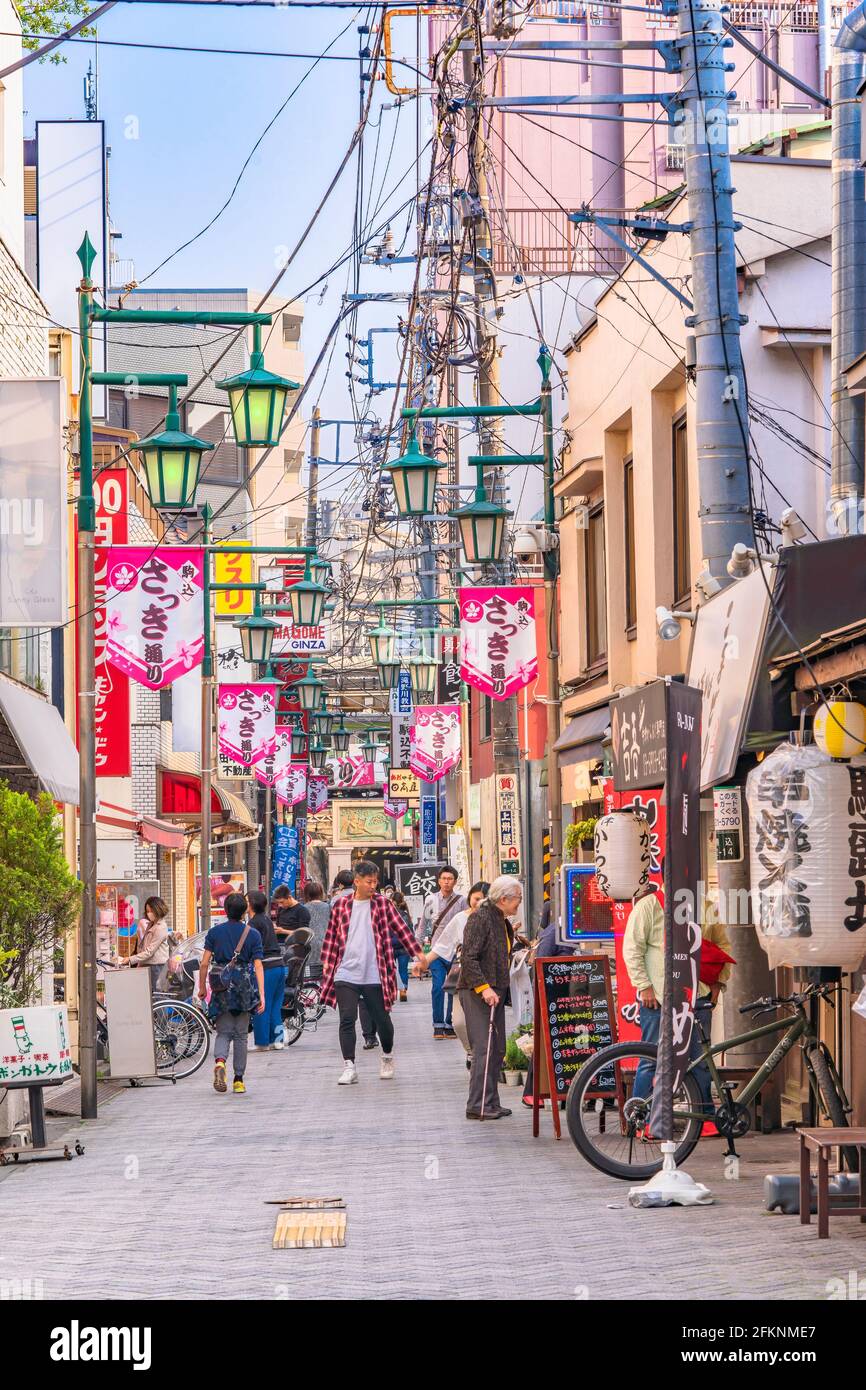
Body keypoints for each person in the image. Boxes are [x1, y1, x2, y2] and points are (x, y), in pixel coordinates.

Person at [623, 885, 734, 1118]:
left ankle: (704, 1118)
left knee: (700, 1061)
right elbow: (632, 949)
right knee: (652, 1059)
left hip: (699, 996)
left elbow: (724, 946)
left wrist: (718, 983)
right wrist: (643, 986)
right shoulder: (649, 906)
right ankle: (641, 1117)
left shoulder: (705, 906)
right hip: (657, 999)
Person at [320, 859, 424, 1085]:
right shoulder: (341, 905)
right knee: (347, 1019)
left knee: (382, 1019)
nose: (373, 886)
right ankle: (349, 1066)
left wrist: (419, 954)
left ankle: (387, 1055)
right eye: (369, 882)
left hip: (375, 972)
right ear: (356, 882)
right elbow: (331, 935)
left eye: (375, 881)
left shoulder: (383, 904)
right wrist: (328, 963)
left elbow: (402, 930)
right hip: (345, 972)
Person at [458, 876, 523, 1121]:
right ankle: (477, 1104)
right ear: (504, 899)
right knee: (484, 1048)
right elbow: (469, 958)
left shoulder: (501, 920)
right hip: (479, 991)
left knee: (498, 1049)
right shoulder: (480, 917)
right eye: (517, 898)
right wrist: (484, 988)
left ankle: (491, 1101)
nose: (519, 903)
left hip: (496, 990)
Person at [198, 892, 265, 1095]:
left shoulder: (214, 933)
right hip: (244, 986)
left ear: (225, 911)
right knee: (241, 1035)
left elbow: (204, 963)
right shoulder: (252, 934)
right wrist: (261, 994)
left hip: (221, 986)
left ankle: (220, 1063)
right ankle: (238, 1080)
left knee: (224, 1032)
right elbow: (258, 965)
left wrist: (202, 988)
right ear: (245, 911)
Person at [419, 865, 467, 1040]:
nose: (447, 882)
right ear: (438, 880)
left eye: (450, 879)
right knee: (438, 986)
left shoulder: (462, 901)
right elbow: (423, 924)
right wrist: (418, 950)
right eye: (444, 879)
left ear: (455, 881)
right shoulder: (430, 900)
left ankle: (449, 1023)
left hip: (456, 951)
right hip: (437, 951)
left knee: (452, 988)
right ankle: (438, 1024)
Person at [249, 889, 288, 1052]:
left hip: (266, 968)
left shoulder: (253, 923)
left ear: (251, 904)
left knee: (261, 1005)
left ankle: (262, 1042)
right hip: (279, 966)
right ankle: (278, 1041)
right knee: (275, 1007)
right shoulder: (266, 920)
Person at [127, 897, 170, 992]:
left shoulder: (160, 927)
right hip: (148, 965)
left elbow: (149, 951)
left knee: (156, 996)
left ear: (157, 909)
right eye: (147, 911)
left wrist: (130, 959)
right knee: (147, 996)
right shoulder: (152, 924)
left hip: (156, 967)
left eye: (150, 911)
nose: (148, 913)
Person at [302, 880, 330, 979]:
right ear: (320, 893)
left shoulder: (303, 908)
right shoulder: (328, 907)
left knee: (310, 976)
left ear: (306, 894)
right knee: (326, 974)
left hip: (309, 943)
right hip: (326, 942)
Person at [390, 889, 415, 1002]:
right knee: (403, 969)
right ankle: (403, 990)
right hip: (404, 947)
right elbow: (411, 932)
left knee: (390, 970)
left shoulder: (387, 914)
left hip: (390, 946)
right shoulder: (406, 915)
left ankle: (391, 991)